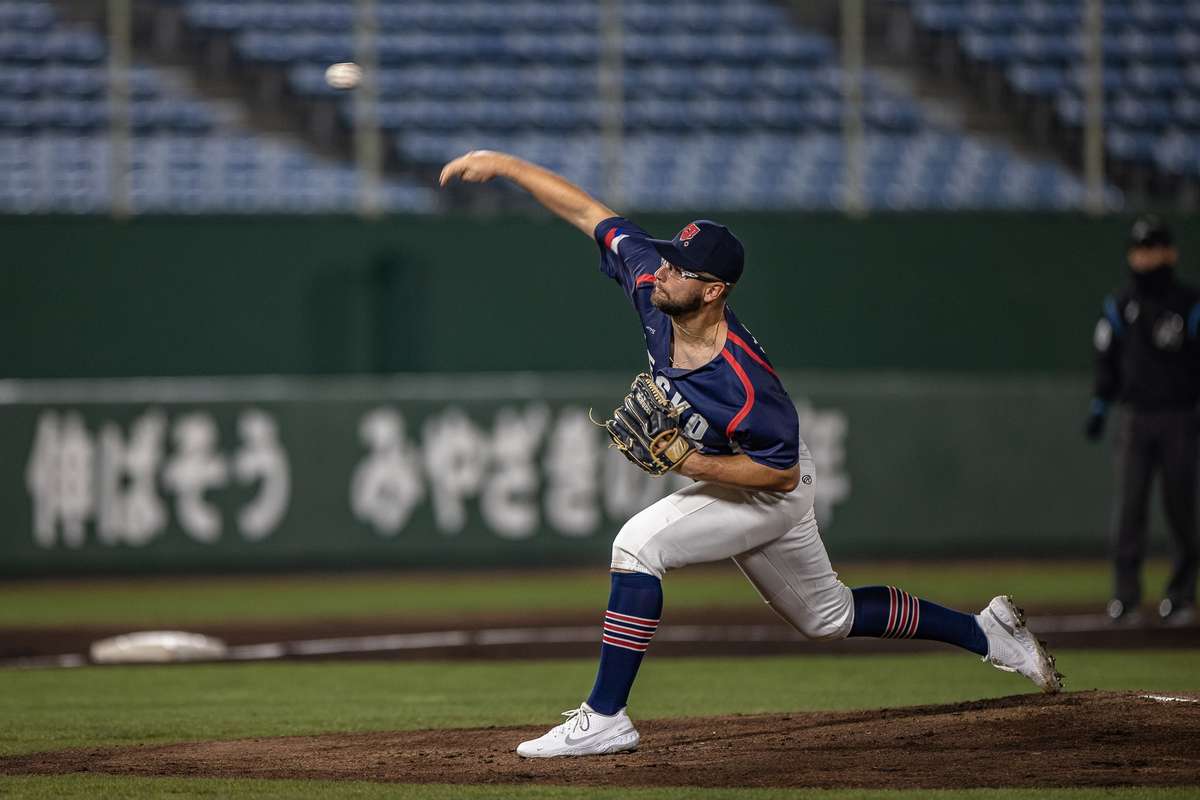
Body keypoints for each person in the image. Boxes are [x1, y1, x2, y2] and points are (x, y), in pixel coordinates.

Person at [439, 150, 1062, 759]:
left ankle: (605, 717)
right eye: (668, 259)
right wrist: (508, 166)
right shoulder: (654, 286)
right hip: (756, 474)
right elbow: (588, 213)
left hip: (768, 485)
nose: (663, 272)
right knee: (828, 616)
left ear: (713, 290)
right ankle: (987, 632)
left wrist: (689, 464)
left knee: (637, 546)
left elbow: (780, 474)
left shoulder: (742, 381)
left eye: (681, 269)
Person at [1086, 214, 1199, 627]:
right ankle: (1126, 597)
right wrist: (1100, 405)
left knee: (1181, 509)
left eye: (1153, 247)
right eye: (1140, 249)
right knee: (1129, 510)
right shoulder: (1120, 305)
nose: (1146, 257)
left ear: (1170, 252)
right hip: (1135, 418)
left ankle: (1181, 596)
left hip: (1180, 417)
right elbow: (1106, 360)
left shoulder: (1189, 304)